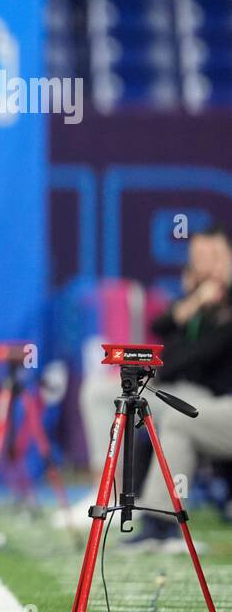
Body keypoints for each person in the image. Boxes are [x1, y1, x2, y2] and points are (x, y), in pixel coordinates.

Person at [77, 226, 232, 551]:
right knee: (101, 392)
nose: (207, 266)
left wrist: (166, 361)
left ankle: (160, 523)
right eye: (200, 258)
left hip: (206, 396)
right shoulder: (198, 302)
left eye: (214, 257)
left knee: (177, 420)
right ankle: (110, 494)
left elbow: (198, 354)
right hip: (174, 388)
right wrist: (193, 305)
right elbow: (162, 330)